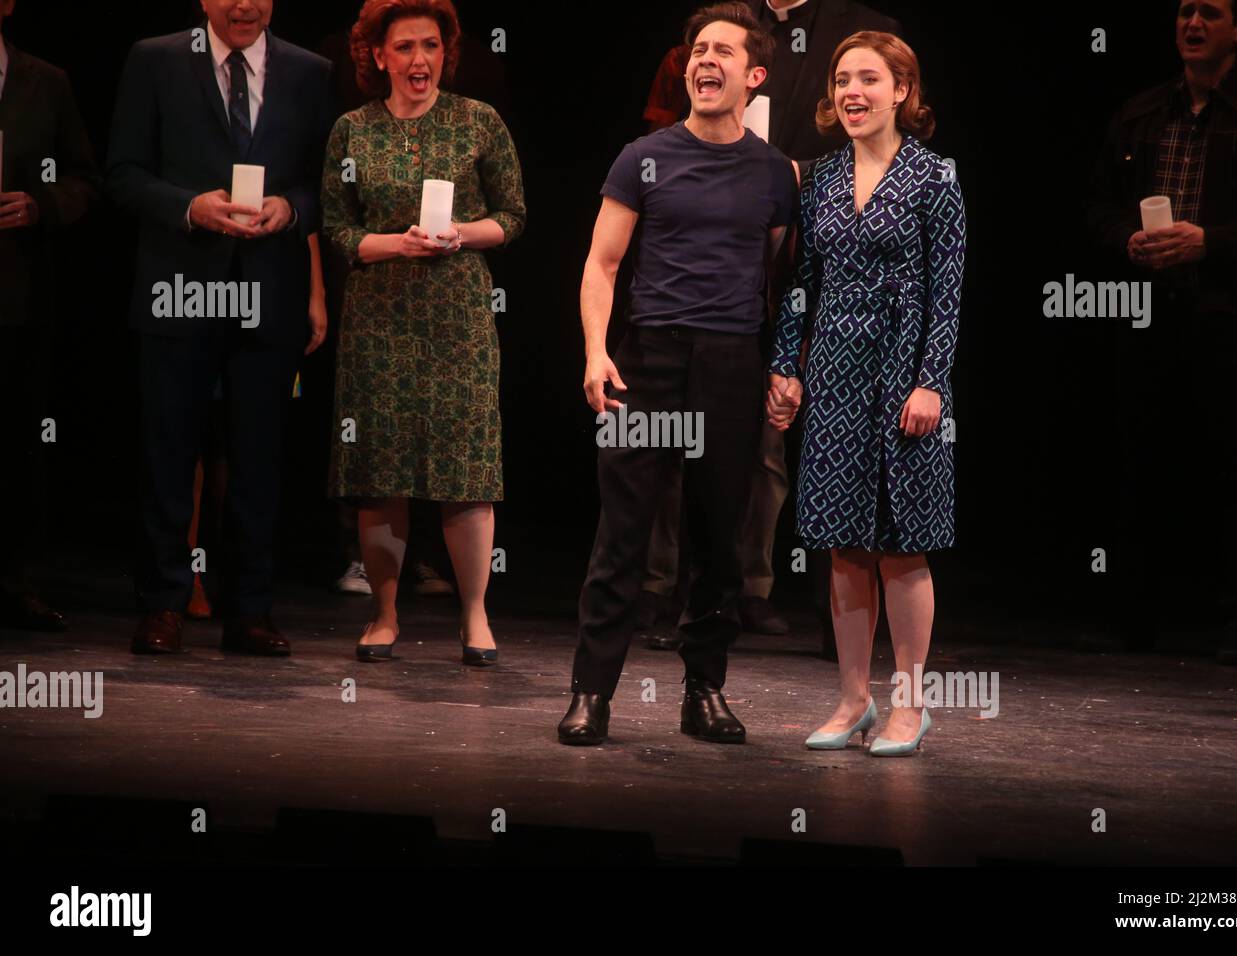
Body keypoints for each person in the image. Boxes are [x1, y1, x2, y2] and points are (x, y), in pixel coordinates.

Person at [558, 2, 798, 745]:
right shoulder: (644, 157)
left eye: (724, 51)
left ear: (754, 75)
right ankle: (592, 694)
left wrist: (782, 368)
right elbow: (601, 264)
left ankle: (705, 691)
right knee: (623, 533)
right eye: (698, 49)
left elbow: (784, 280)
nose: (706, 60)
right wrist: (597, 351)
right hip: (652, 362)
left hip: (729, 364)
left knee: (718, 536)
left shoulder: (776, 172)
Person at [637, 0, 901, 653]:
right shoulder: (712, 33)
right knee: (674, 452)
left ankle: (747, 587)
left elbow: (801, 239)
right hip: (688, 296)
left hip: (779, 285)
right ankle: (660, 588)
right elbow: (657, 145)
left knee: (764, 451)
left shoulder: (851, 29)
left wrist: (788, 178)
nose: (712, 59)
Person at [108, 0, 334, 656]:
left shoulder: (309, 71)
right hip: (179, 288)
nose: (244, 4)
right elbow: (121, 172)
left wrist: (290, 209)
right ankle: (163, 604)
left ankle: (252, 611)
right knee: (168, 452)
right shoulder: (155, 59)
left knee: (259, 458)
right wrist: (188, 207)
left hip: (270, 294)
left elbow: (324, 181)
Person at [768, 31, 965, 756]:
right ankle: (854, 699)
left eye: (870, 80)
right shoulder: (818, 178)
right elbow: (800, 285)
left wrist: (931, 383)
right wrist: (785, 366)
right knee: (844, 547)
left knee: (901, 548)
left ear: (902, 91)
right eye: (843, 79)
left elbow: (948, 292)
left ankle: (910, 705)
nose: (853, 92)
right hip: (835, 379)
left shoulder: (934, 177)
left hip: (904, 376)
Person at [1085, 0, 1237, 664]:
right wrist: (1127, 241)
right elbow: (1096, 205)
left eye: (1209, 13)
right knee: (1140, 462)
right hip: (1149, 315)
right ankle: (1135, 616)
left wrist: (1213, 242)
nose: (1192, 24)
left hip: (1236, 318)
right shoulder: (1142, 110)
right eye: (1183, 13)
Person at [322, 0, 525, 666]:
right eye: (404, 47)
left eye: (431, 46)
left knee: (465, 473)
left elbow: (513, 216)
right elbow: (337, 228)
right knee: (382, 470)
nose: (419, 60)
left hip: (458, 320)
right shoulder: (352, 130)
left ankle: (474, 616)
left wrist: (458, 234)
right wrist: (393, 244)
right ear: (377, 55)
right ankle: (384, 615)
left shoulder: (478, 121)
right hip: (379, 320)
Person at [0, 0, 100, 633]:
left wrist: (40, 204)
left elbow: (87, 177)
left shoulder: (46, 79)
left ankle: (14, 579)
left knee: (17, 442)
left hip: (17, 292)